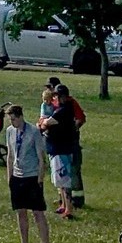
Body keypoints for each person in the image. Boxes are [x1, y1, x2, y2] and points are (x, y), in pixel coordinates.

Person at [3, 104, 52, 243]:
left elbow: (40, 157)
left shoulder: (33, 132)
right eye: (10, 120)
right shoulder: (10, 131)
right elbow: (10, 155)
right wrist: (9, 176)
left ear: (20, 117)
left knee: (38, 213)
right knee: (20, 212)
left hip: (32, 176)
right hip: (17, 177)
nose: (12, 123)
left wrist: (40, 178)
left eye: (13, 119)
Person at [38, 91, 79, 220]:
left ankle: (68, 209)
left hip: (61, 149)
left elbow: (46, 123)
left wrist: (42, 122)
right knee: (59, 181)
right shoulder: (60, 110)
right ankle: (63, 204)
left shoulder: (62, 111)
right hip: (55, 149)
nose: (54, 99)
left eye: (56, 96)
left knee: (64, 180)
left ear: (62, 97)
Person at [55, 83, 87, 207]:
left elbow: (81, 119)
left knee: (74, 170)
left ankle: (77, 199)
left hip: (72, 143)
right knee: (61, 170)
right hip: (60, 142)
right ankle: (63, 198)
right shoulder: (55, 104)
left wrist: (73, 128)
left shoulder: (71, 103)